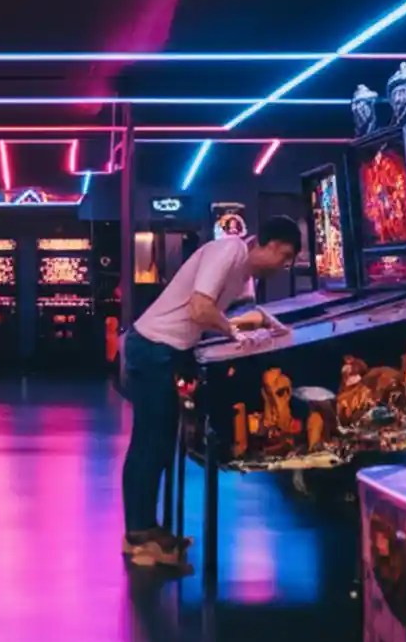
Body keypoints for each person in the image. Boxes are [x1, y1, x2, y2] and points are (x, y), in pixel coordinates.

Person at [121, 215, 301, 568]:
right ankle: (138, 534)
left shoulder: (240, 269)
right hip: (154, 347)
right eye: (285, 258)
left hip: (164, 349)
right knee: (150, 443)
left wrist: (265, 321)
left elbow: (220, 312)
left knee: (156, 444)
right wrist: (237, 335)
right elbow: (200, 308)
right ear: (272, 245)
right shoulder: (229, 251)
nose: (284, 267)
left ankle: (145, 528)